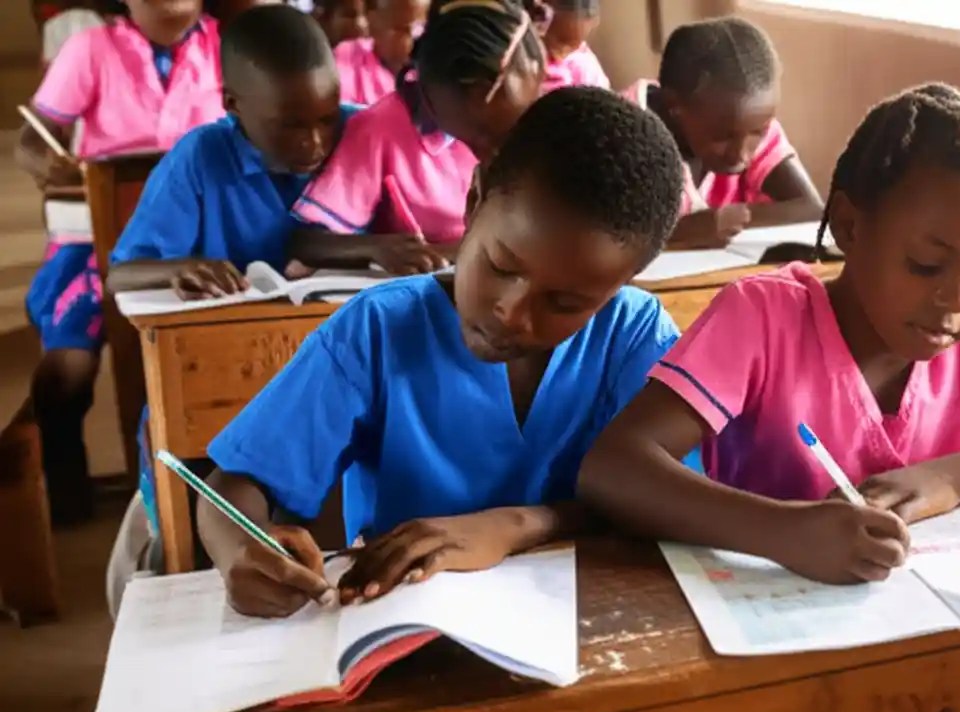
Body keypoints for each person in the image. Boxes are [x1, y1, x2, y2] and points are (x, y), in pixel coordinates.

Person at [579, 83, 960, 586]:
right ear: (851, 225)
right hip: (768, 618)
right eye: (925, 266)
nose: (959, 302)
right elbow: (615, 468)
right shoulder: (761, 319)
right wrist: (784, 533)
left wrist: (953, 476)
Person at [197, 87, 683, 617]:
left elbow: (675, 500)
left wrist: (518, 524)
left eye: (566, 302)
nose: (511, 312)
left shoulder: (635, 337)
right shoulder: (377, 332)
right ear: (473, 204)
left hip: (593, 622)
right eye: (500, 266)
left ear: (617, 287)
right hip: (405, 629)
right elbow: (235, 483)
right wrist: (240, 549)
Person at [102, 4, 358, 617]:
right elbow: (120, 274)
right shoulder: (200, 160)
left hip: (328, 387)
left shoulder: (358, 136)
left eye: (326, 118)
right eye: (292, 125)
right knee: (187, 548)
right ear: (233, 104)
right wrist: (175, 267)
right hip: (217, 392)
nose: (316, 143)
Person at [17, 0, 223, 524]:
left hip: (200, 240)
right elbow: (31, 140)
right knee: (68, 367)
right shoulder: (90, 49)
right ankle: (67, 486)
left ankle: (196, 481)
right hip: (96, 235)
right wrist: (53, 167)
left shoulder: (226, 47)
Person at [290, 0, 544, 275]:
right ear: (438, 96)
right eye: (483, 135)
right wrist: (377, 248)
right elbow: (307, 242)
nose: (499, 150)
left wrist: (453, 250)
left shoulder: (534, 122)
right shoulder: (382, 130)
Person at [622, 17, 822, 250]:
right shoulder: (624, 137)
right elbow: (612, 239)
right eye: (723, 138)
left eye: (758, 132)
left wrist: (727, 220)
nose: (741, 155)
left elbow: (810, 208)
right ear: (674, 106)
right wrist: (688, 229)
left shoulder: (748, 122)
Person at [333, 0, 428, 105]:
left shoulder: (433, 72)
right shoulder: (349, 56)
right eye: (402, 29)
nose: (412, 38)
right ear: (373, 21)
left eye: (420, 29)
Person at [539, 0, 608, 93]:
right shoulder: (523, 47)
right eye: (560, 41)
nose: (559, 57)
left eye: (572, 46)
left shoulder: (586, 69)